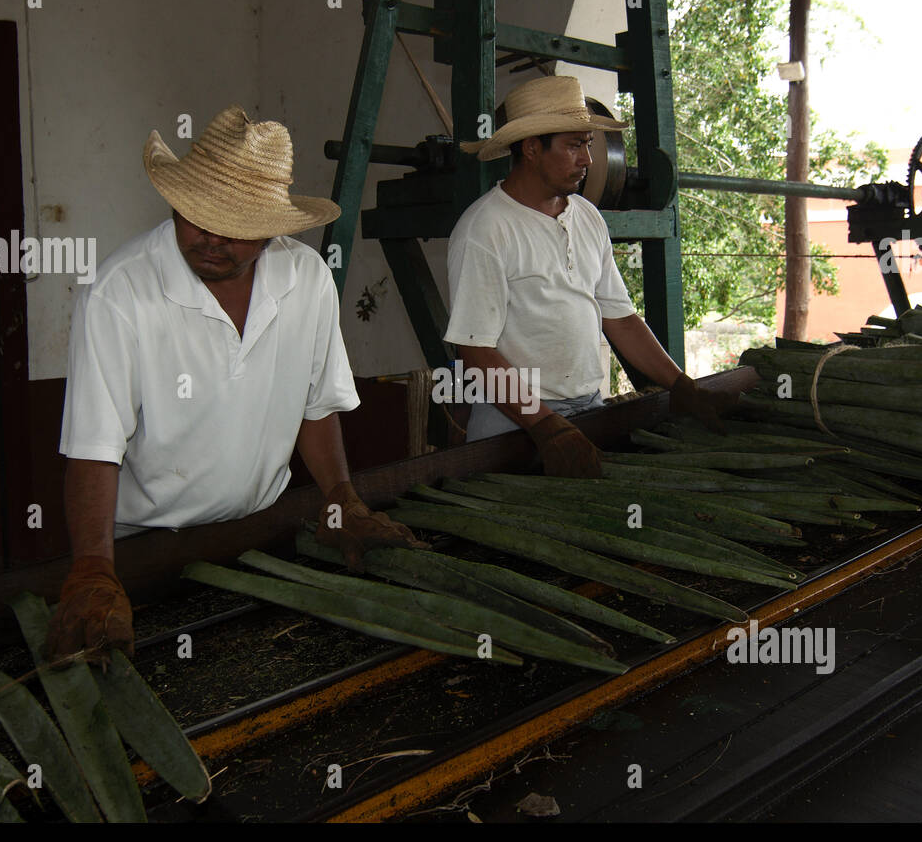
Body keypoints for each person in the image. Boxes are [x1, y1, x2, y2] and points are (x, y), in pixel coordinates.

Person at [50, 105, 423, 665]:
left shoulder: (307, 280)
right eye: (196, 217)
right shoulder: (119, 294)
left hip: (261, 537)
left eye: (237, 229)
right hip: (147, 553)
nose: (211, 239)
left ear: (273, 229)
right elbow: (94, 450)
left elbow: (316, 406)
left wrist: (342, 499)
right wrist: (92, 570)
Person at [444, 76, 732, 477]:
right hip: (513, 423)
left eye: (588, 144)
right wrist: (544, 425)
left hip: (586, 411)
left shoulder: (587, 217)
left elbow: (620, 317)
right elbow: (475, 353)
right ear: (531, 148)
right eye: (574, 145)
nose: (588, 160)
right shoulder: (486, 229)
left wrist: (681, 385)